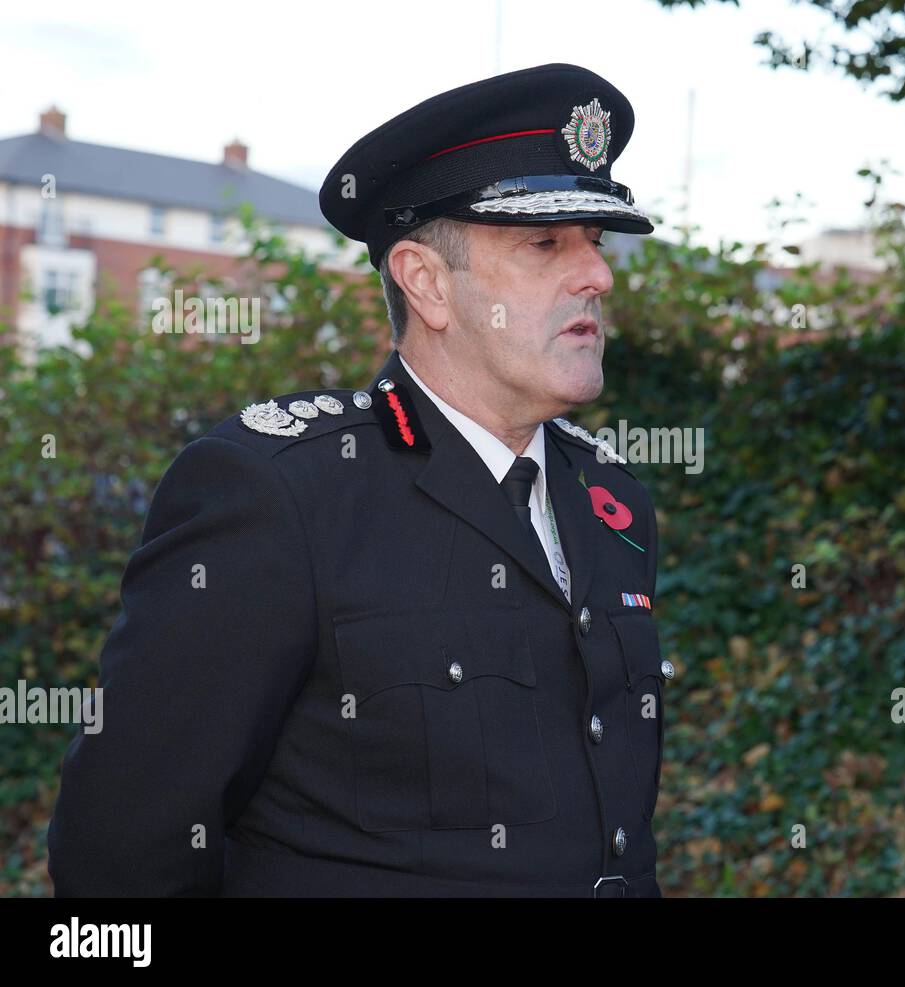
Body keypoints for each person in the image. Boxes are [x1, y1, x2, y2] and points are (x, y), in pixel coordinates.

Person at [47, 63, 672, 897]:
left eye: (595, 242)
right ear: (425, 282)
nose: (596, 274)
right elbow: (121, 851)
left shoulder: (612, 500)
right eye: (544, 243)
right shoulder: (280, 493)